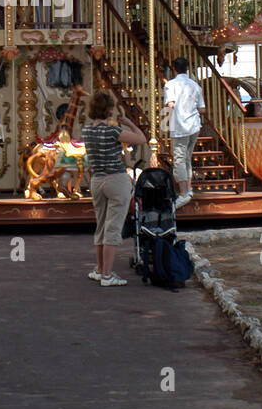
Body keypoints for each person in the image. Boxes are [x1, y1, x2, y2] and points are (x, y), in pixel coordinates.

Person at [82, 92, 147, 287]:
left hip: (97, 180)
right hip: (116, 180)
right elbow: (141, 139)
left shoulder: (86, 130)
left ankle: (99, 269)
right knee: (113, 228)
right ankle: (107, 275)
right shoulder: (113, 131)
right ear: (109, 110)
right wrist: (129, 122)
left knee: (101, 225)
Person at [163, 57, 206, 209]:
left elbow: (170, 104)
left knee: (179, 160)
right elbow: (202, 109)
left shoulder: (171, 84)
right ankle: (188, 189)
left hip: (180, 126)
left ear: (174, 69)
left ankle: (182, 193)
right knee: (187, 157)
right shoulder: (195, 85)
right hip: (194, 125)